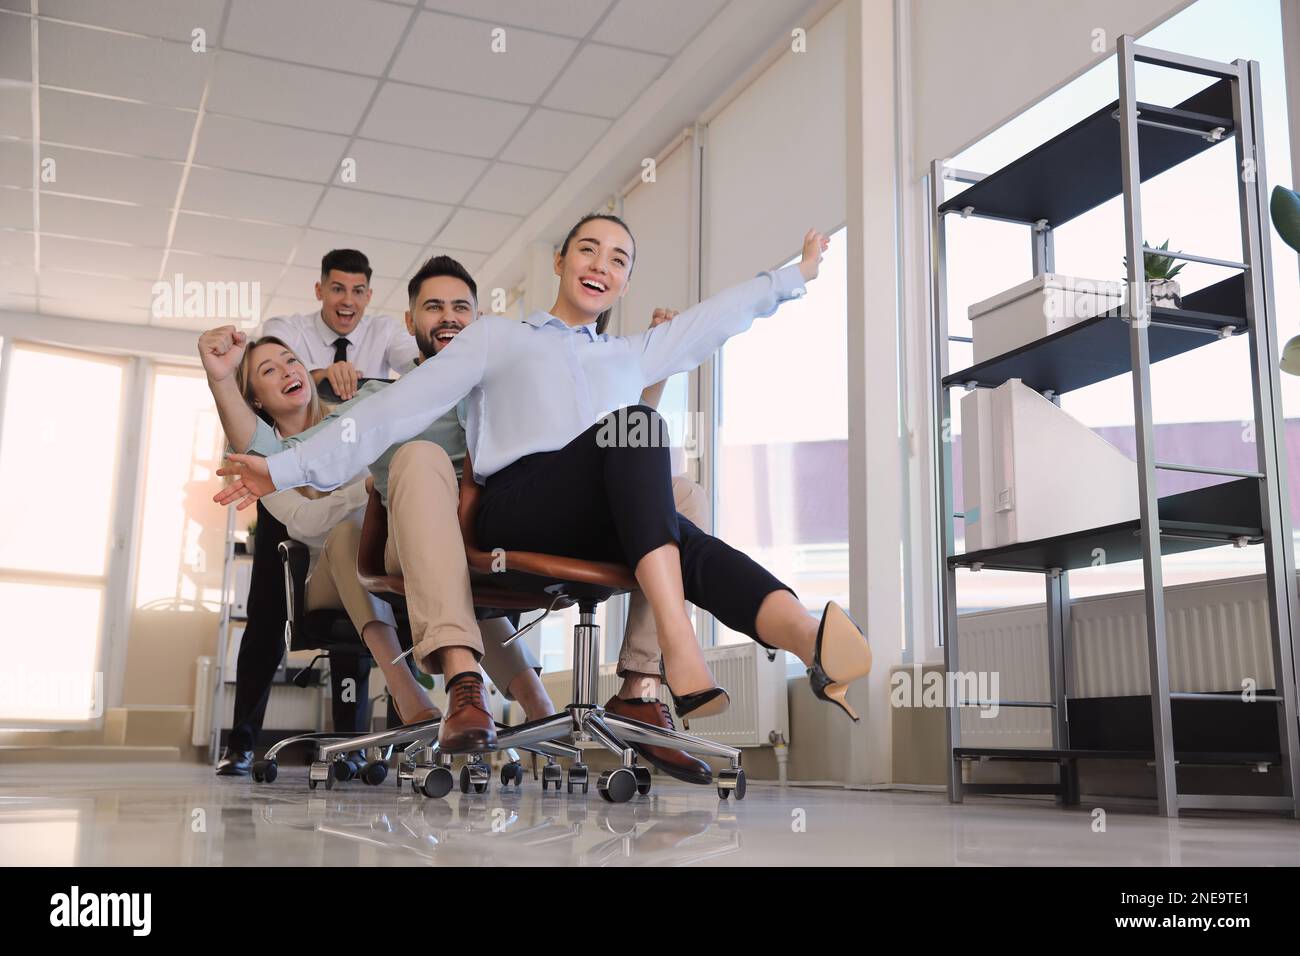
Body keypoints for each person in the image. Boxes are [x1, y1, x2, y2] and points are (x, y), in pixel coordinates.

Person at [216, 216, 872, 756]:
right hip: (515, 506)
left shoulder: (629, 354)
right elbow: (393, 410)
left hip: (602, 513)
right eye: (588, 248)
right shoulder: (499, 337)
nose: (601, 264)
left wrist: (796, 276)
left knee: (659, 478)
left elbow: (716, 319)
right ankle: (679, 646)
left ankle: (806, 636)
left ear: (624, 281)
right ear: (560, 261)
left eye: (619, 258)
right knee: (639, 431)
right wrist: (282, 467)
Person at [204, 258, 554, 754]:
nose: (287, 371)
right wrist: (379, 486)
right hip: (335, 560)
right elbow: (301, 509)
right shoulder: (310, 437)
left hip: (399, 545)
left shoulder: (358, 412)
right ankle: (409, 694)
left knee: (452, 564)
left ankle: (537, 709)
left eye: (291, 362)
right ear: (254, 399)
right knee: (352, 532)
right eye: (269, 371)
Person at [259, 248, 419, 401]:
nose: (348, 301)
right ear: (319, 291)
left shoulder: (386, 331)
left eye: (357, 291)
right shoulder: (287, 327)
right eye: (338, 289)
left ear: (368, 296)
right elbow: (269, 356)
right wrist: (319, 375)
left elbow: (420, 362)